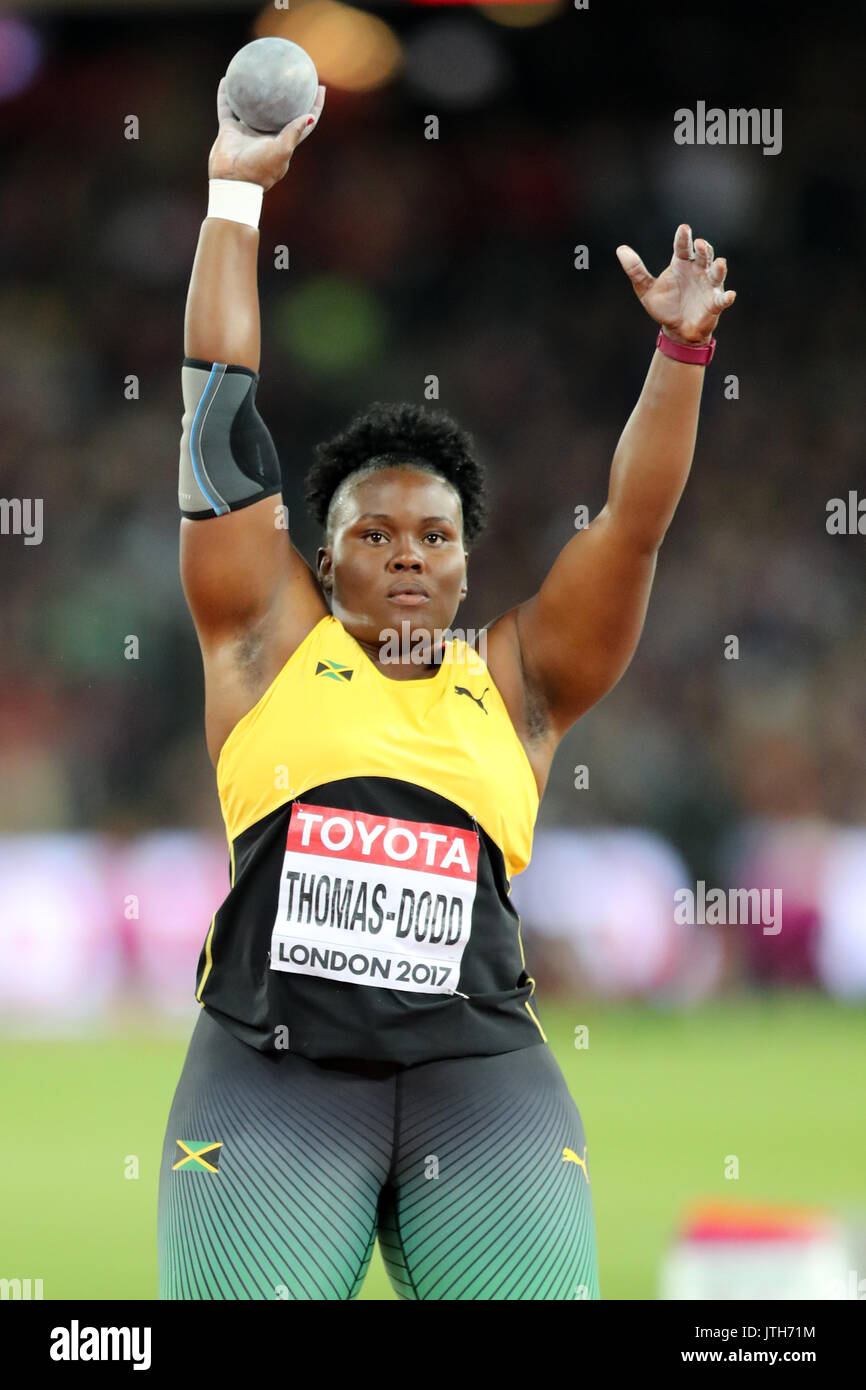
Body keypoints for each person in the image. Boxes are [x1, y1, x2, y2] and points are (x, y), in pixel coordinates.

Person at [158, 76, 735, 1301]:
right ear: (323, 560)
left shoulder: (521, 681)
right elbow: (217, 406)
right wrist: (230, 194)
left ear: (470, 560)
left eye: (434, 536)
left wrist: (680, 352)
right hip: (272, 1073)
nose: (408, 553)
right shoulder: (264, 643)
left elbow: (632, 524)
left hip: (479, 1078)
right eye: (375, 535)